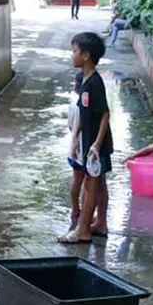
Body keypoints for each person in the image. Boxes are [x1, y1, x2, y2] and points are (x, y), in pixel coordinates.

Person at [58, 32, 111, 244]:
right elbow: (81, 114)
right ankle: (100, 223)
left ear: (86, 55)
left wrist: (97, 145)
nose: (72, 56)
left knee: (91, 186)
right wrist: (75, 139)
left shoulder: (95, 83)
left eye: (74, 51)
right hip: (89, 142)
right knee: (99, 184)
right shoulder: (86, 82)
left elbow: (105, 115)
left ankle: (83, 231)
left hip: (98, 145)